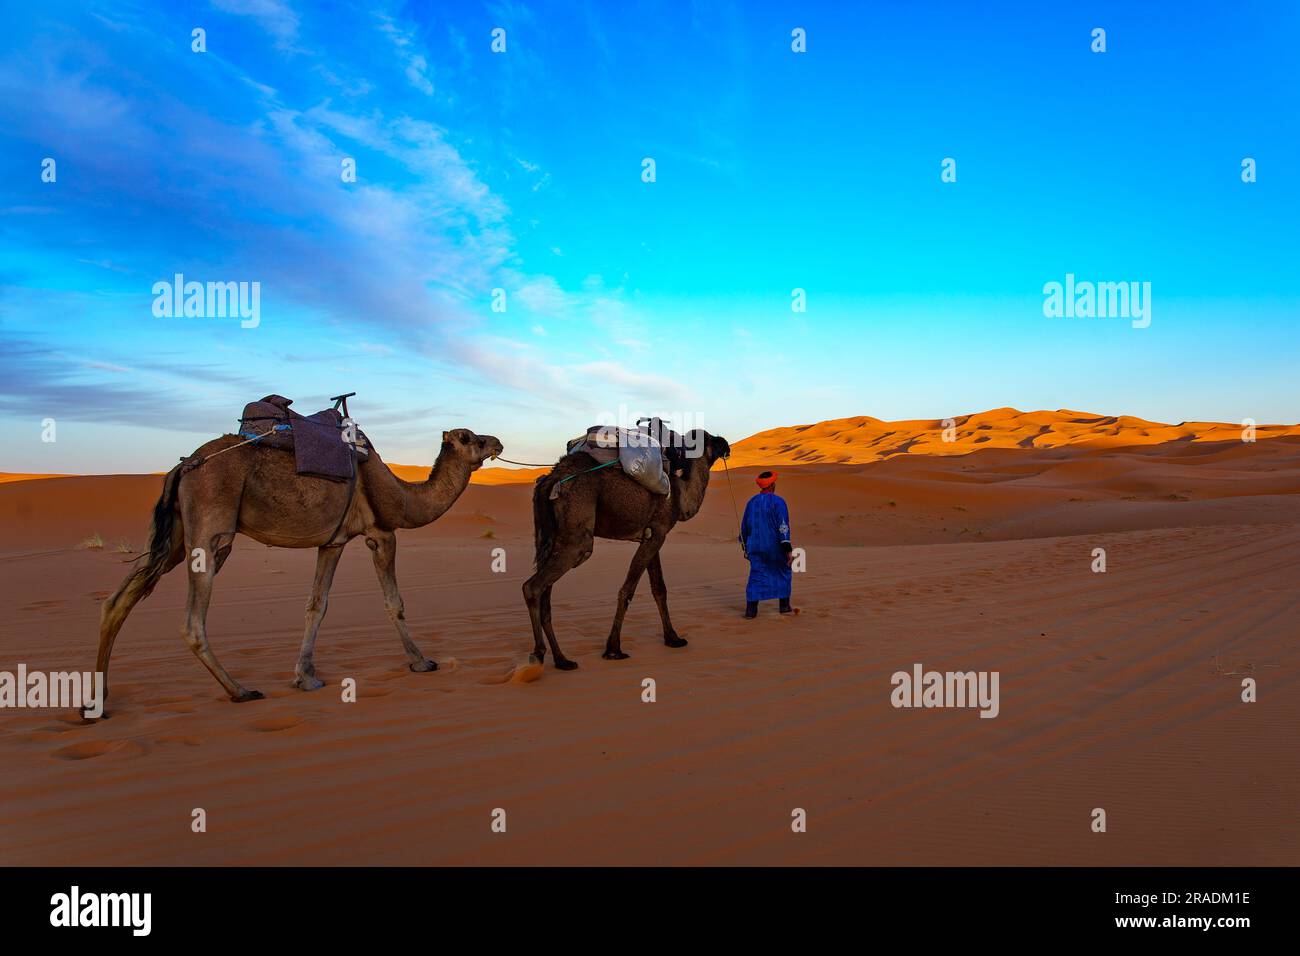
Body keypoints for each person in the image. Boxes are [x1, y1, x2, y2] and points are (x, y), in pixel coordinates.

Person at [739, 470, 795, 617]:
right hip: (775, 547)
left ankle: (751, 611)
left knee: (756, 575)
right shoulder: (779, 502)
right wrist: (787, 548)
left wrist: (744, 545)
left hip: (755, 546)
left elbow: (744, 526)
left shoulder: (751, 503)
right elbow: (783, 526)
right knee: (784, 572)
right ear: (772, 485)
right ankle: (784, 606)